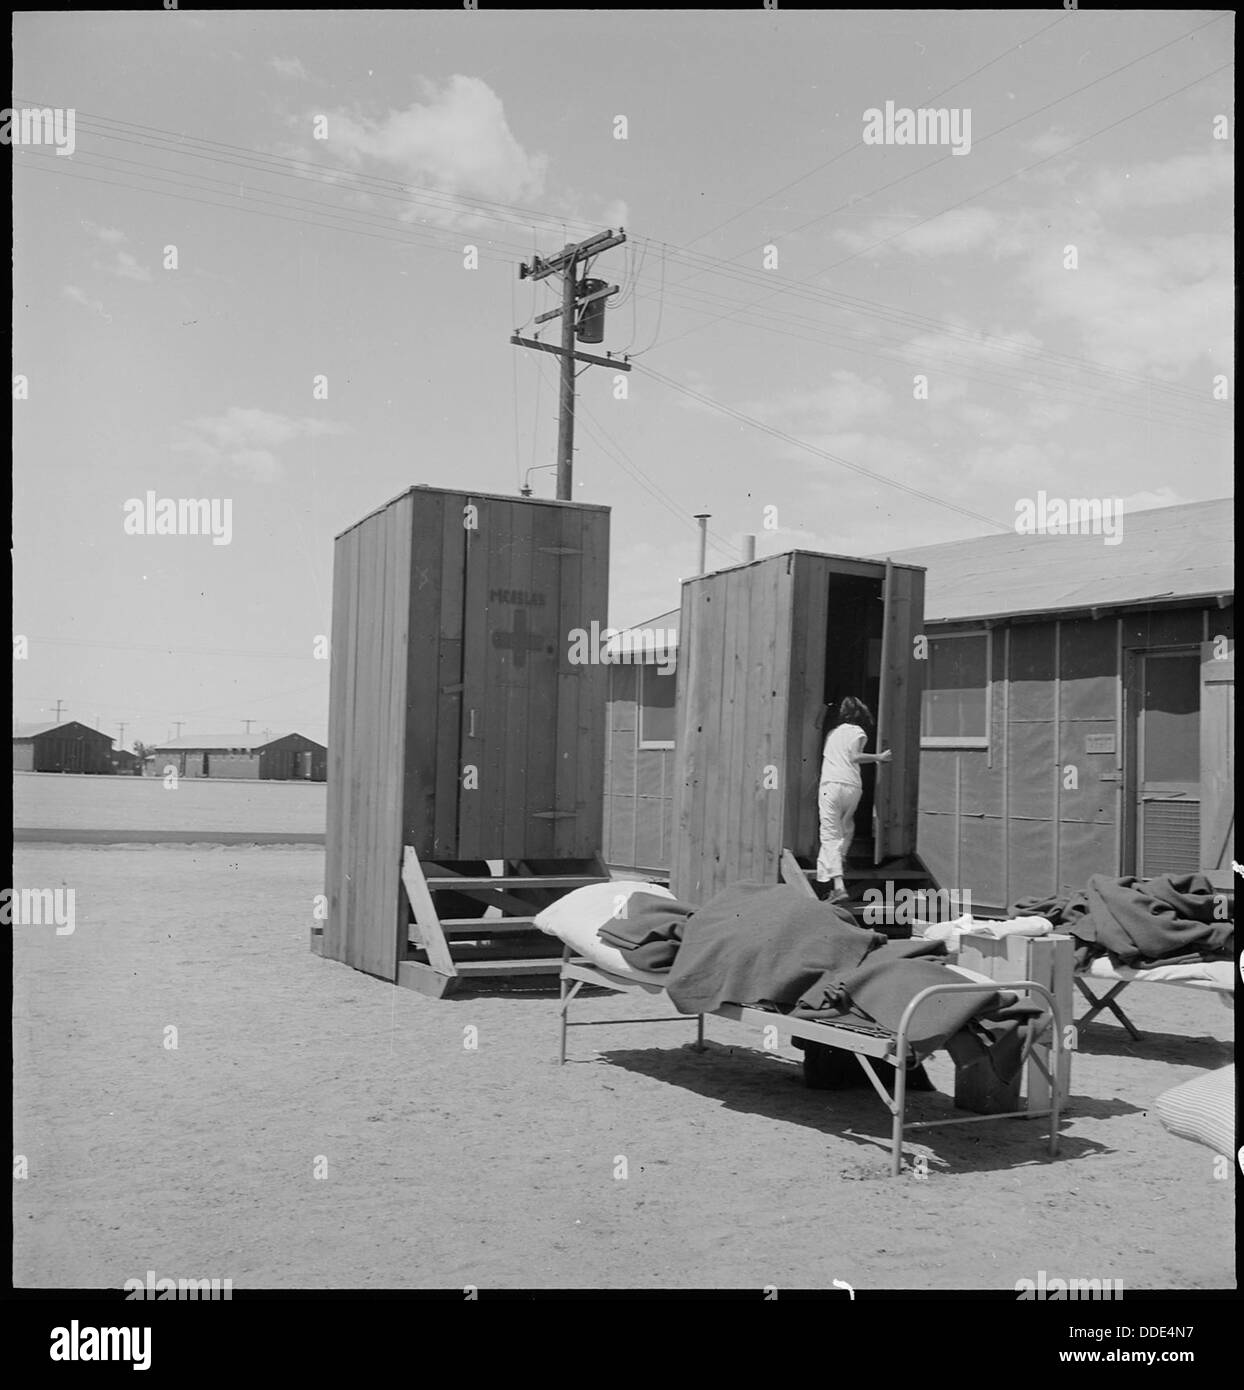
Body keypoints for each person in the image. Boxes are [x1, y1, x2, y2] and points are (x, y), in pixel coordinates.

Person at [815, 696, 891, 904]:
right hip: (852, 786)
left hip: (831, 785)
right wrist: (880, 758)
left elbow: (853, 756)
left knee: (829, 834)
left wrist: (878, 757)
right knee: (846, 827)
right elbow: (854, 758)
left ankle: (838, 886)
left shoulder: (832, 734)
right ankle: (839, 861)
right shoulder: (859, 732)